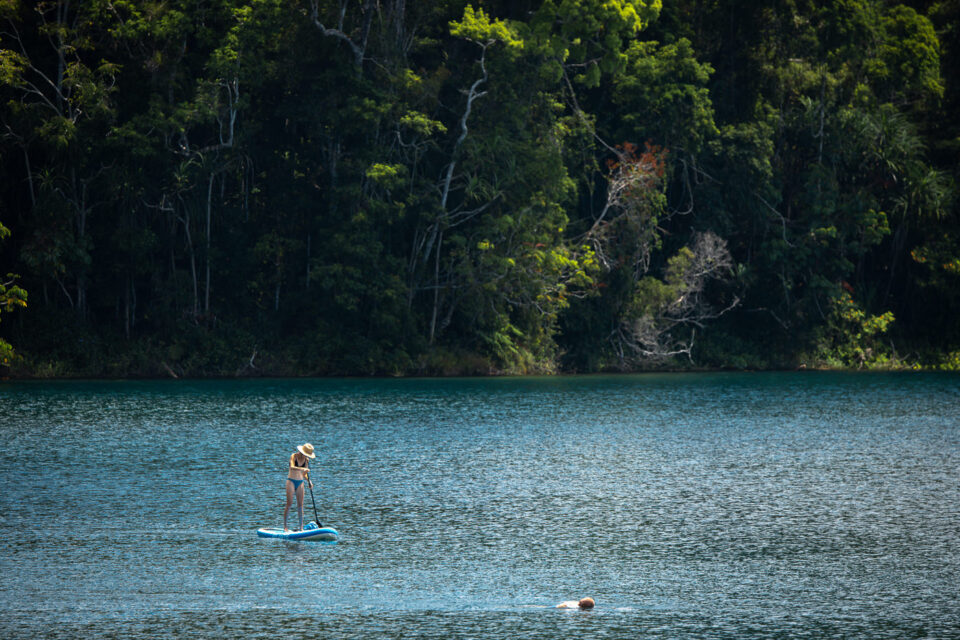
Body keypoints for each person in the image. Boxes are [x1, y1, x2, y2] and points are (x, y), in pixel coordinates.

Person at [284, 442, 315, 531]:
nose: (307, 456)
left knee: (300, 506)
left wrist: (309, 481)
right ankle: (285, 527)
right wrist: (303, 469)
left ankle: (301, 528)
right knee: (289, 504)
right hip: (291, 481)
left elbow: (304, 474)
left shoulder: (306, 460)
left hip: (300, 482)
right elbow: (292, 467)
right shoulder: (293, 456)